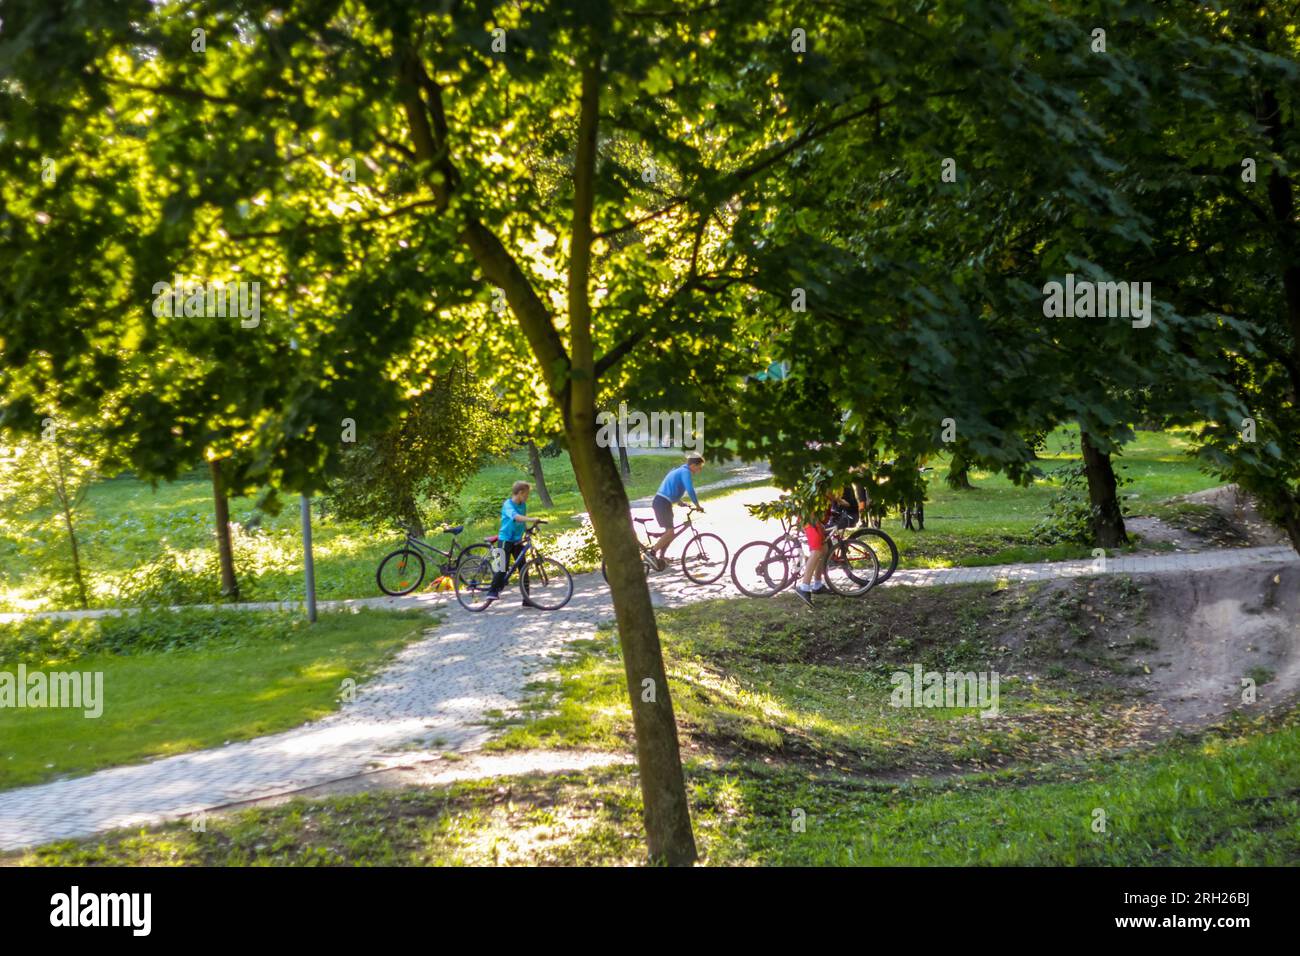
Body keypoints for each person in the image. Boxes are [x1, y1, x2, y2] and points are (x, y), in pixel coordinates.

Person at [794, 487, 851, 608]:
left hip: (817, 520)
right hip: (810, 519)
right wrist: (839, 500)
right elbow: (826, 491)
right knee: (816, 551)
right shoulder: (824, 480)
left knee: (824, 550)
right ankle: (804, 587)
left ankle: (818, 585)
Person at [485, 480, 539, 606]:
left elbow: (522, 521)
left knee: (523, 569)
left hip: (517, 540)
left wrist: (527, 530)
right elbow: (516, 517)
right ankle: (492, 591)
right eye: (526, 494)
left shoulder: (523, 505)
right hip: (505, 539)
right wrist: (532, 519)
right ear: (520, 493)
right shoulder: (508, 505)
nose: (527, 496)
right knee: (502, 567)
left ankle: (527, 599)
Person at [649, 454, 705, 569]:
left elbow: (671, 489)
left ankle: (661, 557)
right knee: (670, 533)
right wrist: (697, 505)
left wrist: (679, 501)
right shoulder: (686, 472)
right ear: (693, 465)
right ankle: (651, 554)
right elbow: (690, 489)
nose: (699, 471)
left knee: (669, 533)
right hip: (662, 503)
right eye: (699, 468)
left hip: (664, 502)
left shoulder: (680, 470)